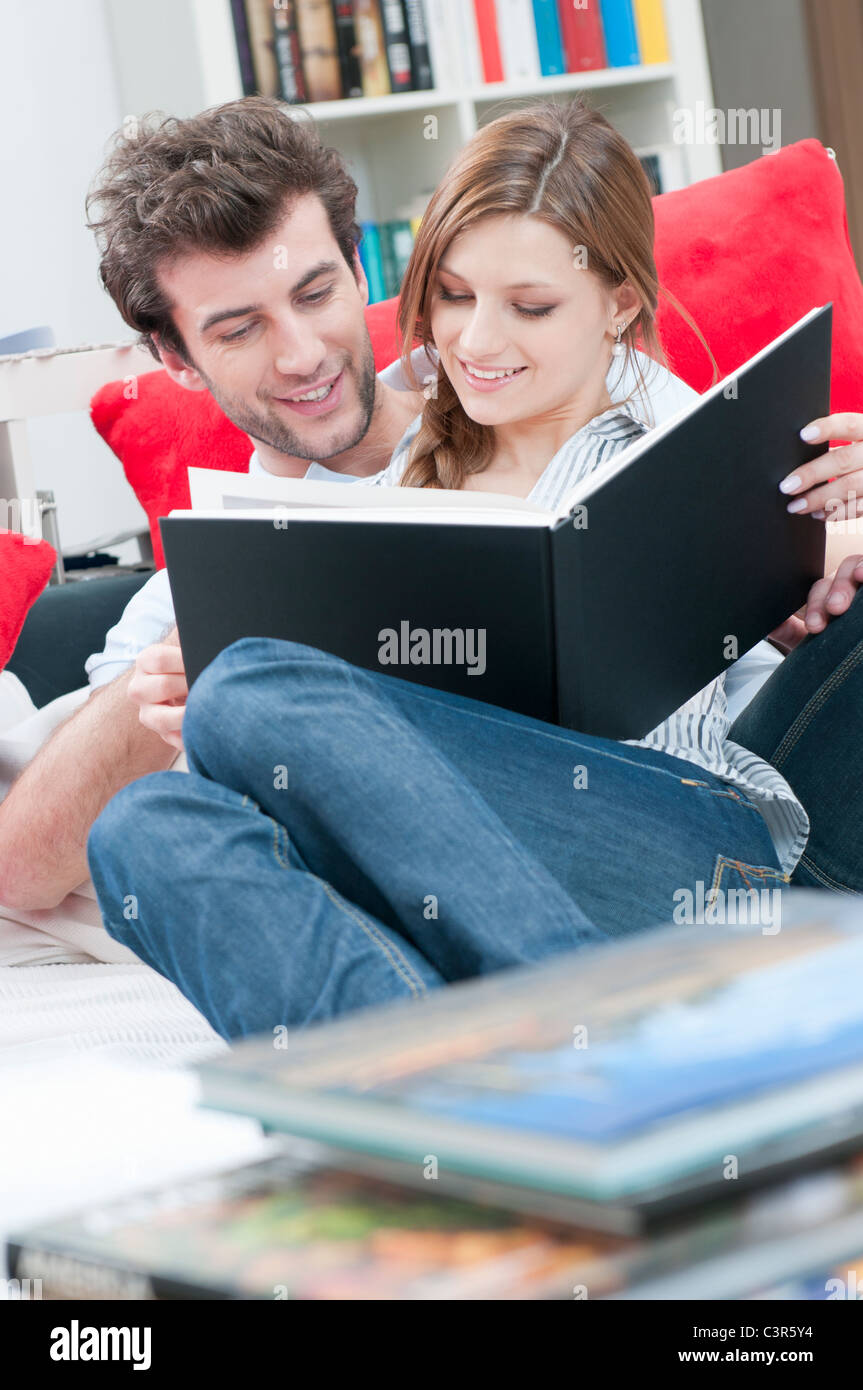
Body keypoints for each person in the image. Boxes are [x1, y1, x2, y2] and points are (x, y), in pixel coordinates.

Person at [85, 100, 863, 1040]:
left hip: (691, 847)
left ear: (617, 302)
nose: (479, 343)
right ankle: (490, 1095)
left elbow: (813, 566)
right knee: (142, 831)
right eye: (453, 297)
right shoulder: (386, 469)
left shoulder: (697, 440)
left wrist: (832, 537)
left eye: (530, 307)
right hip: (484, 884)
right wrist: (185, 705)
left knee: (252, 687)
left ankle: (583, 1050)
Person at [0, 96, 695, 913]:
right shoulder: (211, 568)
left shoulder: (547, 375)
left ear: (360, 272)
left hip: (689, 805)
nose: (301, 355)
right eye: (238, 330)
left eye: (314, 293)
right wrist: (203, 647)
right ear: (176, 359)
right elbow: (21, 870)